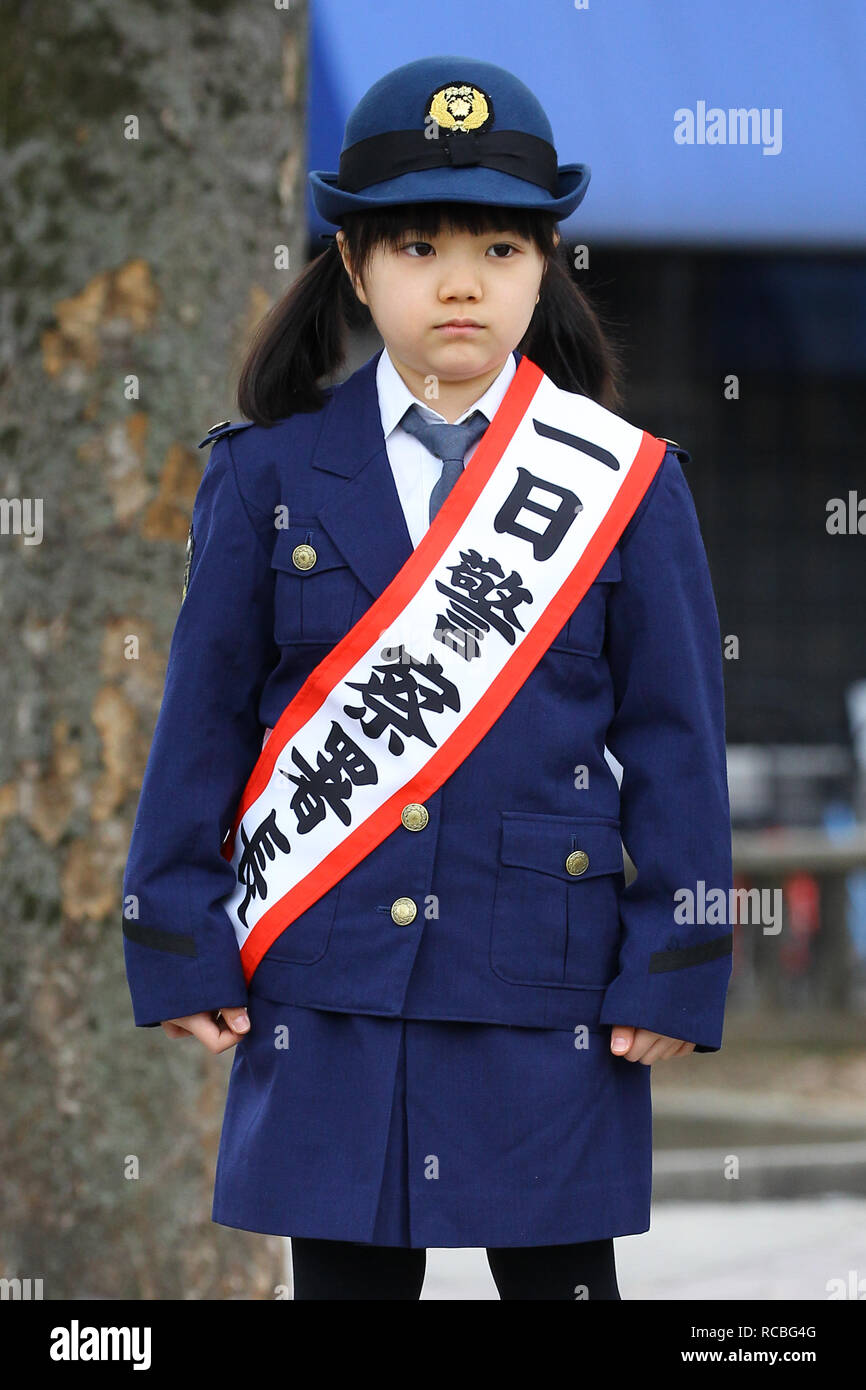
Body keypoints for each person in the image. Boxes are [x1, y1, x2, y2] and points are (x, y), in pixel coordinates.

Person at [122, 55, 734, 1301]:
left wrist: (677, 949)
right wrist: (179, 931)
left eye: (501, 250)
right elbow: (202, 721)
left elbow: (677, 738)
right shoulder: (267, 477)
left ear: (544, 265)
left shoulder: (621, 482)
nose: (459, 281)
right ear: (351, 264)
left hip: (544, 986)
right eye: (414, 245)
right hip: (326, 976)